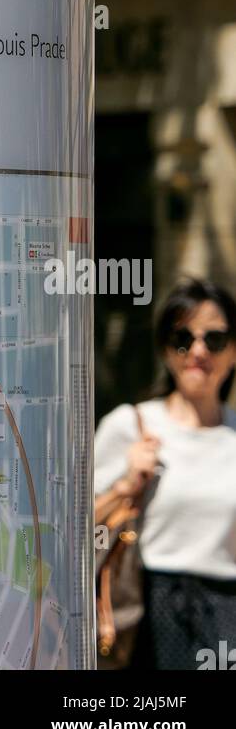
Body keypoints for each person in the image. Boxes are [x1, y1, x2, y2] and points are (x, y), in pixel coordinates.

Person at [94, 277, 236, 670]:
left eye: (216, 339)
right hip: (146, 613)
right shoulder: (131, 425)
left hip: (227, 616)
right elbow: (75, 532)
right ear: (165, 349)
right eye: (183, 338)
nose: (199, 351)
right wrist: (125, 485)